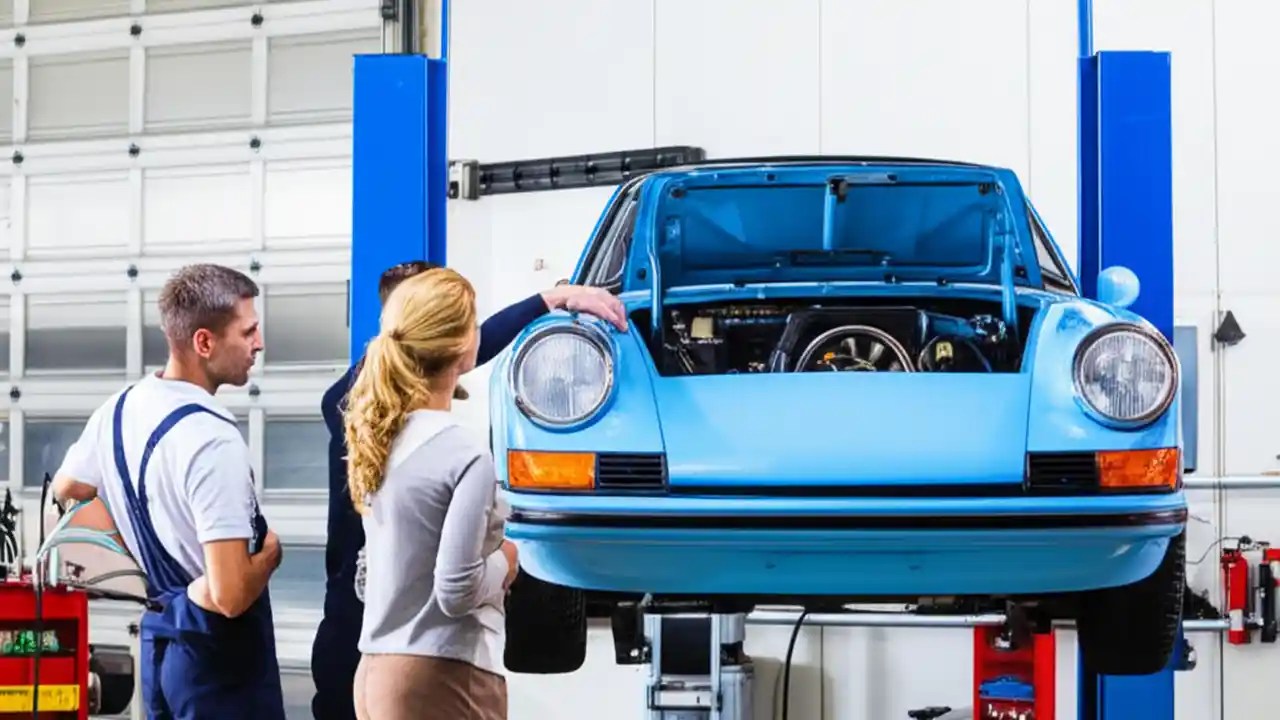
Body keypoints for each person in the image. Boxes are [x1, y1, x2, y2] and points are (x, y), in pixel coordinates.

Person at [310, 260, 626, 719]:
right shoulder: (456, 449)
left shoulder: (372, 425)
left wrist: (547, 300)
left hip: (372, 653)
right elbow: (457, 589)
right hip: (427, 661)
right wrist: (511, 557)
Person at [50, 263, 286, 718]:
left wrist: (132, 552)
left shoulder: (118, 410)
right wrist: (270, 555)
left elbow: (68, 490)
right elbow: (231, 594)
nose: (259, 343)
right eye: (249, 331)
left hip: (161, 648)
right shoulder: (213, 440)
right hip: (221, 666)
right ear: (204, 342)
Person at [347, 266, 513, 718]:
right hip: (440, 672)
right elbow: (456, 591)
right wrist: (508, 559)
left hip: (376, 671)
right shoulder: (465, 451)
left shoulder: (380, 435)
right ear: (463, 345)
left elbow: (370, 573)